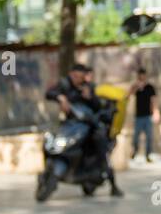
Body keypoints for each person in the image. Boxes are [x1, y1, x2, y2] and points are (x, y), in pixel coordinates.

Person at [46, 62, 122, 197]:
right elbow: (49, 93)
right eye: (75, 77)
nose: (77, 80)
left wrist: (90, 98)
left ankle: (113, 184)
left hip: (90, 126)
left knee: (101, 146)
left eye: (80, 77)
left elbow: (100, 106)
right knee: (50, 139)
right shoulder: (65, 85)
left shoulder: (89, 87)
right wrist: (60, 97)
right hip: (72, 124)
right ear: (71, 75)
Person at [126, 68, 159, 163]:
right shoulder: (135, 87)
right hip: (138, 116)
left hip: (148, 115)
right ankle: (134, 152)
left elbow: (154, 100)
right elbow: (128, 96)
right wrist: (136, 87)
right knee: (136, 136)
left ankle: (148, 155)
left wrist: (156, 112)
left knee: (149, 136)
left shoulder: (150, 87)